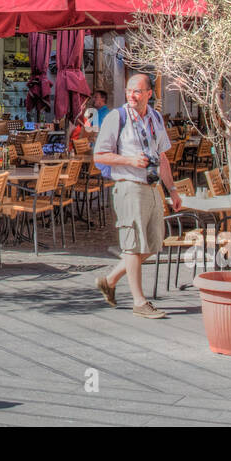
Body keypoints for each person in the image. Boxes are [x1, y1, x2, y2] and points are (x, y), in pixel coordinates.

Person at [92, 74, 180, 319]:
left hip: (152, 186)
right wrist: (129, 160)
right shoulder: (116, 117)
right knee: (131, 244)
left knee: (153, 243)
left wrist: (172, 190)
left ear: (149, 94)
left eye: (138, 91)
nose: (132, 95)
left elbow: (162, 157)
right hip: (129, 185)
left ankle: (109, 280)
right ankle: (139, 302)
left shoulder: (155, 117)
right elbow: (99, 155)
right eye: (130, 90)